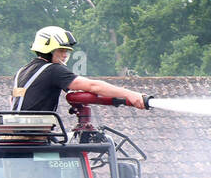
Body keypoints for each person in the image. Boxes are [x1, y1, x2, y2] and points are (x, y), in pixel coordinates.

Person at [12, 26, 146, 113]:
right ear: (48, 49)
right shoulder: (53, 70)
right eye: (61, 50)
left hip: (13, 133)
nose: (65, 55)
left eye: (67, 51)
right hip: (35, 135)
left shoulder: (22, 72)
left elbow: (14, 101)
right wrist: (130, 94)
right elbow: (93, 86)